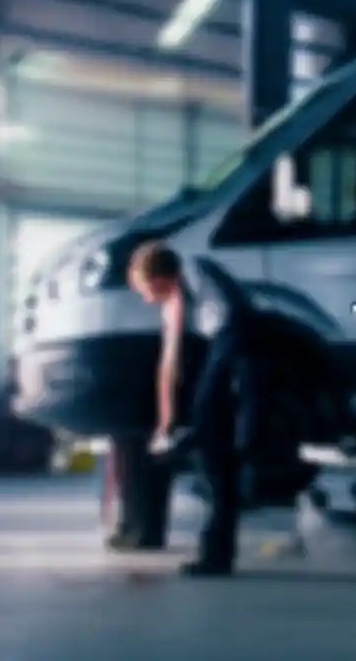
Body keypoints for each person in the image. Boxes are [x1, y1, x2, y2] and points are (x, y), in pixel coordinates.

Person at [128, 240, 246, 577]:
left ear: (158, 280)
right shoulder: (200, 272)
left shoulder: (179, 290)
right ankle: (218, 552)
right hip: (239, 346)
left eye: (144, 289)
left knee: (212, 453)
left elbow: (170, 363)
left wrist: (165, 423)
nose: (146, 299)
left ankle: (216, 556)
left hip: (232, 344)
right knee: (218, 459)